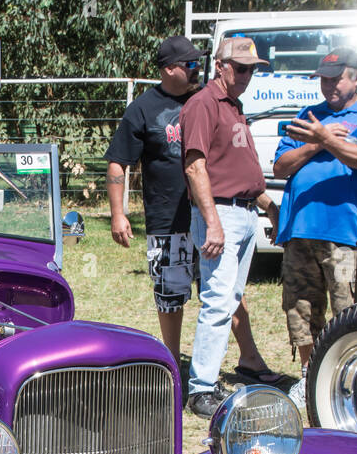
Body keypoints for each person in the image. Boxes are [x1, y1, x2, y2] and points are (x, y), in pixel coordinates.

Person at [104, 35, 281, 385]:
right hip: (169, 216)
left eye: (198, 62)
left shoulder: (210, 102)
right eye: (189, 64)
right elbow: (117, 164)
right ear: (168, 68)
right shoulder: (144, 108)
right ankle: (171, 363)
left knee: (226, 290)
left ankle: (249, 357)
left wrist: (265, 204)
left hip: (214, 216)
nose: (195, 69)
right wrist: (118, 214)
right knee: (171, 295)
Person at [272, 47, 357, 412]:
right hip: (299, 227)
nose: (328, 86)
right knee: (300, 308)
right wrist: (315, 141)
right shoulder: (308, 117)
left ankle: (349, 382)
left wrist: (328, 140)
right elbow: (280, 167)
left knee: (347, 310)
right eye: (323, 79)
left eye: (335, 78)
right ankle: (310, 377)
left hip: (343, 232)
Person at [179, 36, 280, 418]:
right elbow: (195, 166)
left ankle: (208, 380)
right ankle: (201, 388)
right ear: (219, 65)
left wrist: (267, 204)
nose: (247, 75)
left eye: (252, 69)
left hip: (242, 211)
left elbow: (236, 170)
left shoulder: (232, 106)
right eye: (240, 67)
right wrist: (213, 222)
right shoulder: (204, 104)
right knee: (219, 301)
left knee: (228, 298)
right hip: (221, 213)